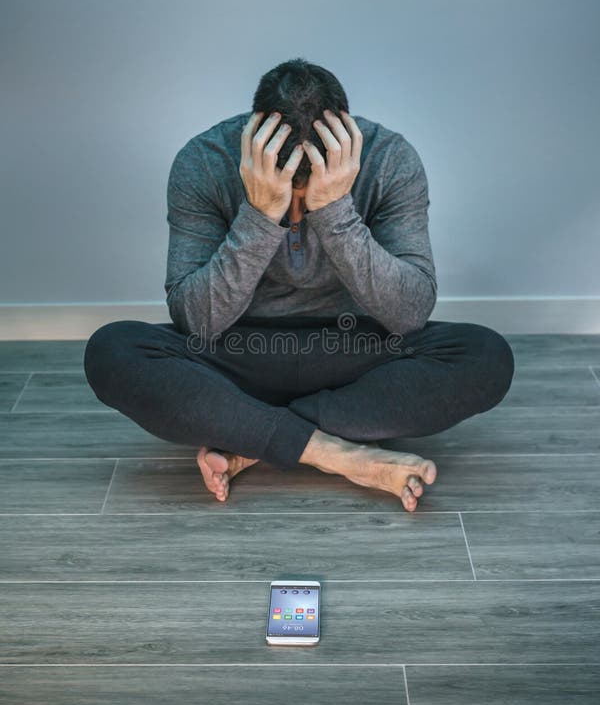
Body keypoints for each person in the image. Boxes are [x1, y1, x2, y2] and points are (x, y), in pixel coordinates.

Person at [84, 57, 514, 513]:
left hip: (356, 349)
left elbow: (409, 314)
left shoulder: (391, 159)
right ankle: (340, 453)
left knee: (485, 356)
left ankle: (255, 438)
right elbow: (197, 321)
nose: (297, 213)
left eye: (305, 197)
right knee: (112, 350)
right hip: (237, 354)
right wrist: (260, 214)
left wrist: (334, 211)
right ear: (253, 144)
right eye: (290, 194)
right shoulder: (204, 161)